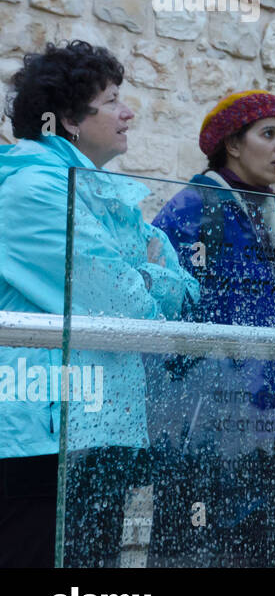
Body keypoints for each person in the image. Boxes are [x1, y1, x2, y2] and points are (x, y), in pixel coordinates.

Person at [0, 41, 197, 568]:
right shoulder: (36, 191)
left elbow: (180, 297)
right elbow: (129, 307)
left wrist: (147, 274)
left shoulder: (100, 192)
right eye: (112, 101)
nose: (128, 112)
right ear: (67, 118)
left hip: (93, 433)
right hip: (39, 439)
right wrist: (151, 270)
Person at [146, 90, 275, 567]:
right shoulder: (191, 210)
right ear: (233, 144)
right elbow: (163, 315)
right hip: (205, 434)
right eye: (268, 134)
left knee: (270, 555)